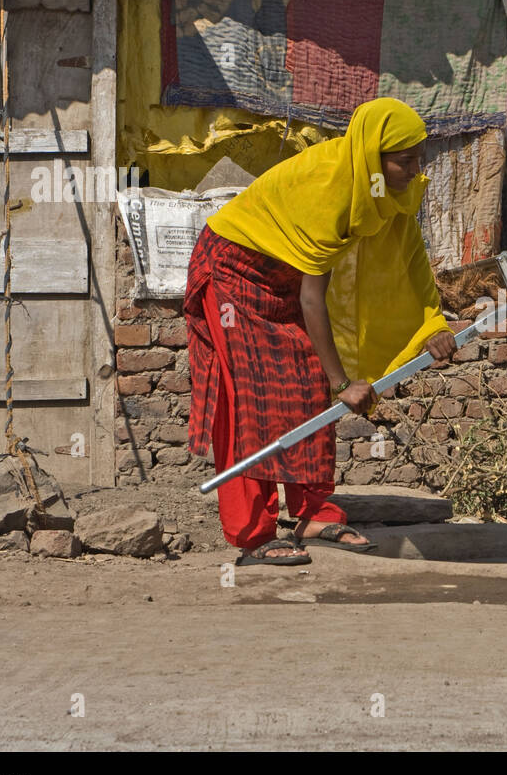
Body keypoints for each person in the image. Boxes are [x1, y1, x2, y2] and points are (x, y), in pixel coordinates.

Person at [184, 98, 457, 565]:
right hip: (233, 270)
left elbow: (410, 261)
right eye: (405, 160)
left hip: (284, 280)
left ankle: (314, 512)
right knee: (251, 397)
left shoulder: (386, 190)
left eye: (418, 157)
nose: (416, 169)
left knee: (307, 382)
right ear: (373, 156)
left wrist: (434, 323)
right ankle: (253, 533)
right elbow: (315, 300)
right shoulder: (330, 188)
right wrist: (341, 382)